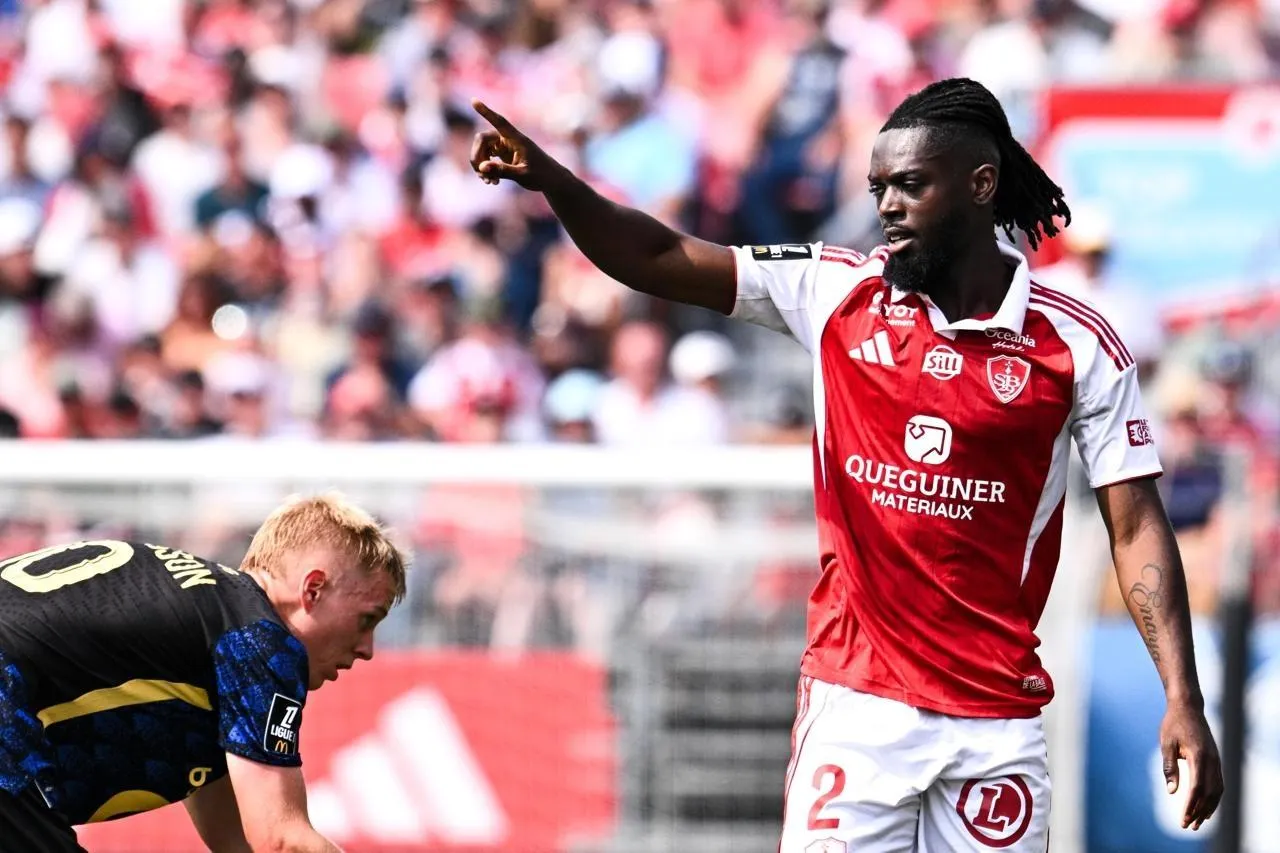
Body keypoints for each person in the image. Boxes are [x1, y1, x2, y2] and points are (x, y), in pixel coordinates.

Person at [467, 76, 1223, 850]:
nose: (886, 205)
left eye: (909, 185)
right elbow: (659, 255)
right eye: (877, 187)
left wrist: (1182, 696)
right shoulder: (834, 290)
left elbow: (1134, 529)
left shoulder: (1079, 345)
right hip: (856, 707)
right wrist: (553, 181)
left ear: (980, 184)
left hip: (995, 722)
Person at [0, 492, 407, 852]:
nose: (366, 649)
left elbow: (239, 841)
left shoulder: (202, 627)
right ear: (312, 589)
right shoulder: (257, 637)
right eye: (367, 619)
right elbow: (281, 840)